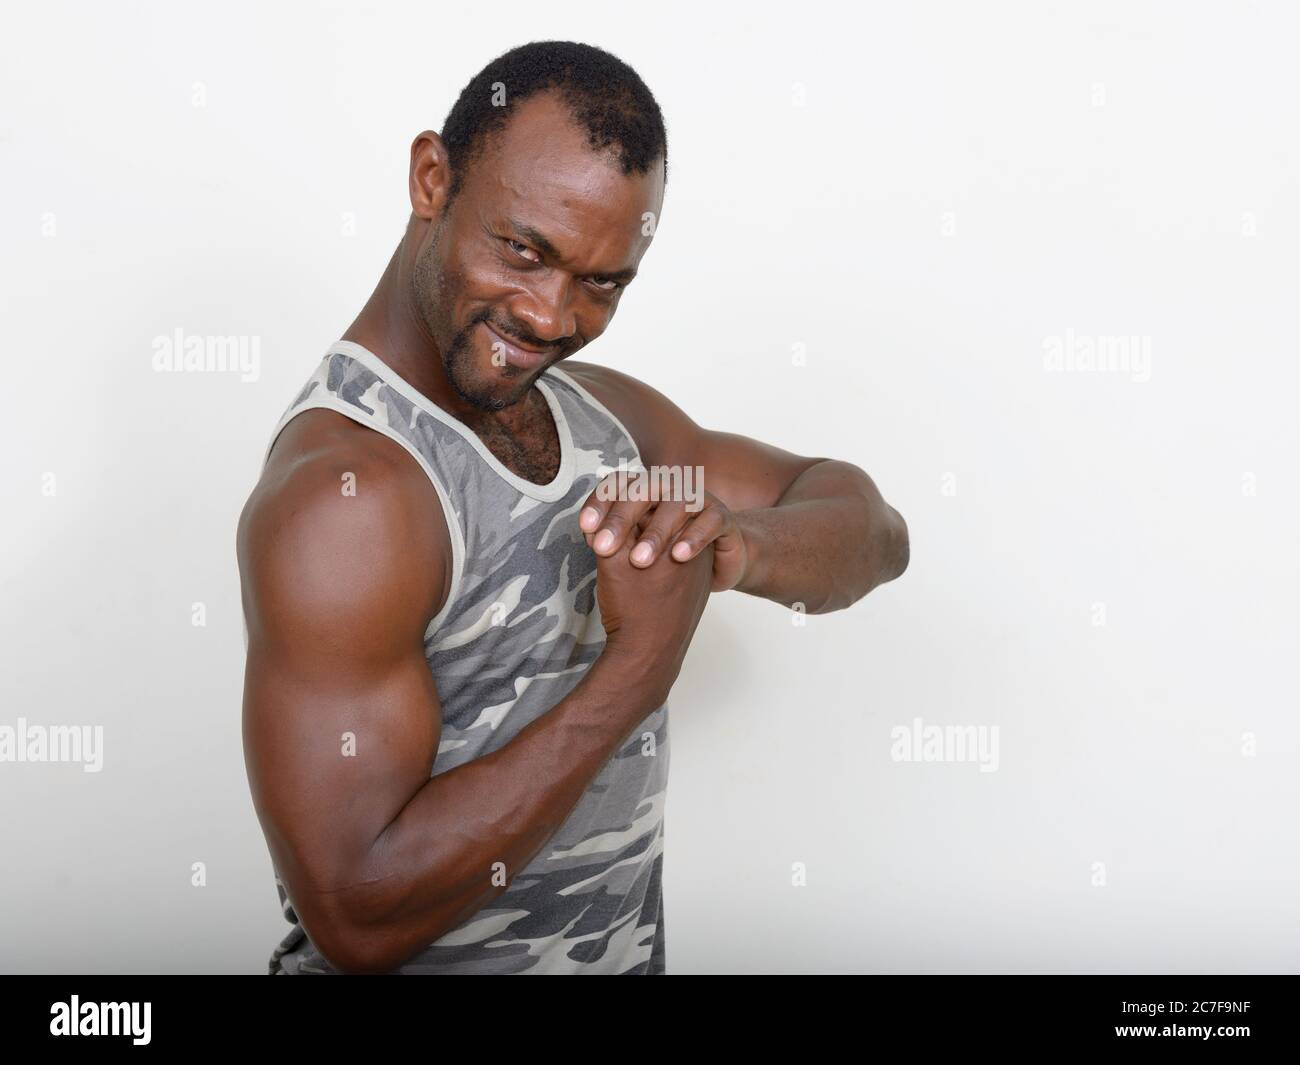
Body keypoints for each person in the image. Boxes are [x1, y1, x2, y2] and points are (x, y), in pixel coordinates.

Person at [237, 40, 908, 975]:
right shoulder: (349, 496)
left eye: (602, 282)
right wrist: (638, 665)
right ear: (432, 178)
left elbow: (871, 526)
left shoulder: (603, 419)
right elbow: (358, 916)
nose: (553, 317)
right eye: (523, 251)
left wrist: (732, 546)